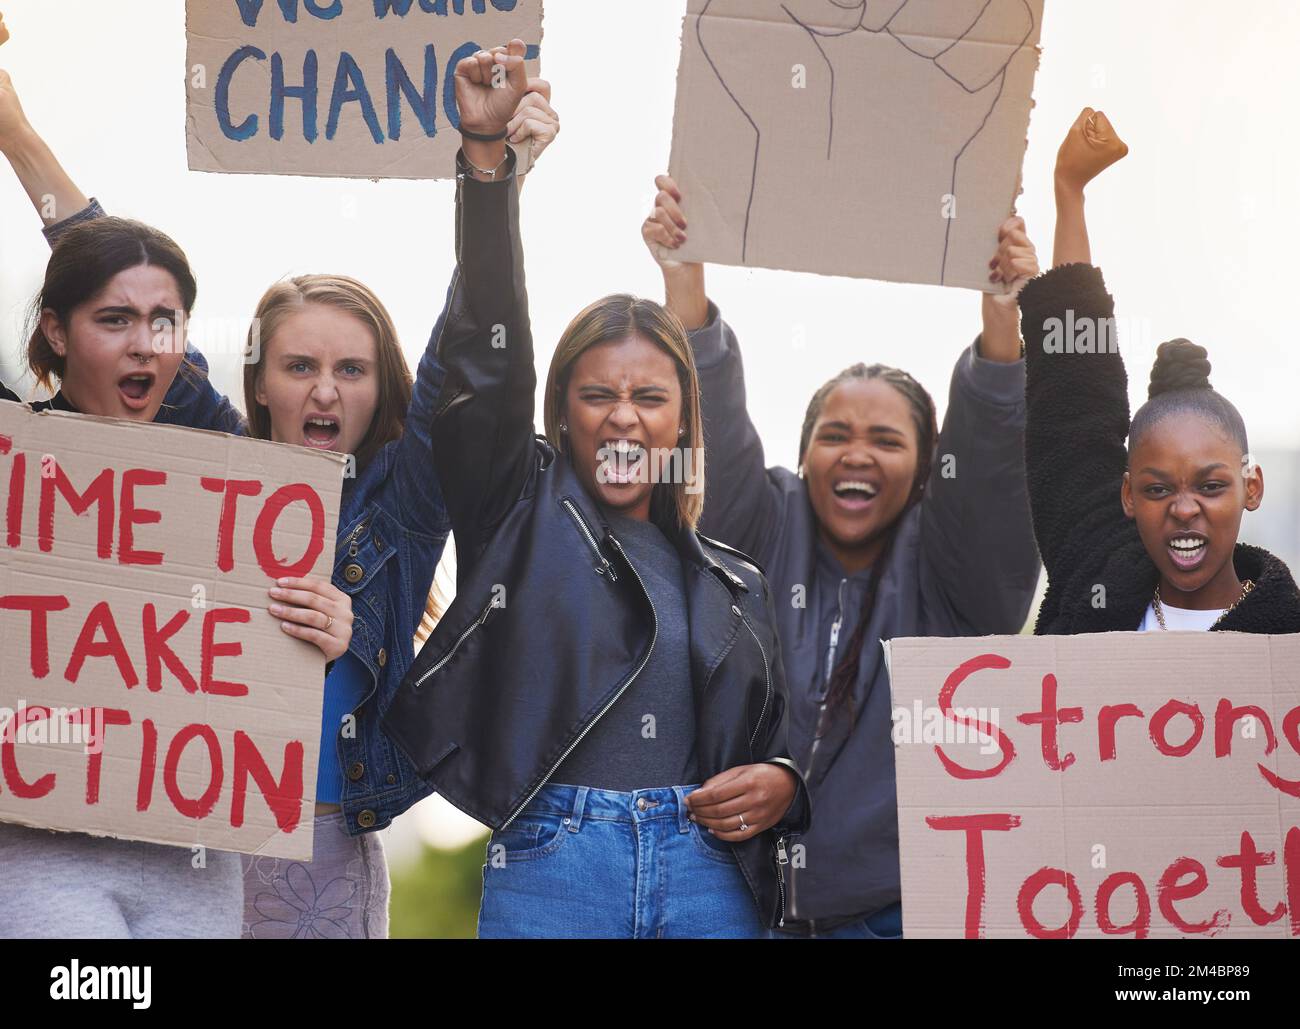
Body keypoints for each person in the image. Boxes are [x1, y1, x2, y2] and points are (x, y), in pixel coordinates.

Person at [0, 42, 560, 937]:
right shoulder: (210, 460)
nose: (326, 390)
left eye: (352, 368)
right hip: (163, 837)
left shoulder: (406, 501)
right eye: (300, 365)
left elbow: (468, 345)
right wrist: (14, 128)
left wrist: (493, 177)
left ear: (383, 389)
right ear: (259, 383)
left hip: (320, 844)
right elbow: (105, 276)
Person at [379, 40, 809, 939]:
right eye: (597, 395)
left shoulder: (738, 580)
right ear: (560, 413)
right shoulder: (517, 511)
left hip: (707, 874)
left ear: (682, 417)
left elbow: (786, 736)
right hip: (554, 862)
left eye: (649, 397)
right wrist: (489, 170)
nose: (623, 418)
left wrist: (784, 784)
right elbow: (484, 367)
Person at [641, 175, 1042, 937]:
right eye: (835, 434)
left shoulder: (953, 572)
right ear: (803, 457)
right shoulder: (759, 534)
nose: (857, 454)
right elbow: (715, 420)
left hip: (894, 915)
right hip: (733, 905)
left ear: (927, 472)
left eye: (886, 440)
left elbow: (990, 459)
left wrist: (1001, 317)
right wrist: (684, 279)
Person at [0, 154, 348, 944]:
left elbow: (255, 665)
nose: (143, 345)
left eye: (165, 323)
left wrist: (324, 631)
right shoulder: (9, 456)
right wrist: (14, 131)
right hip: (34, 850)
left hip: (193, 861)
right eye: (112, 319)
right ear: (56, 329)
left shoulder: (235, 475)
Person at [1019, 108, 1300, 635]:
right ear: (1127, 496)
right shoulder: (1098, 587)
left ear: (1252, 487)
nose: (1184, 509)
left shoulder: (1288, 637)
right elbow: (1075, 403)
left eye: (1211, 487)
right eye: (1157, 490)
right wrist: (1070, 193)